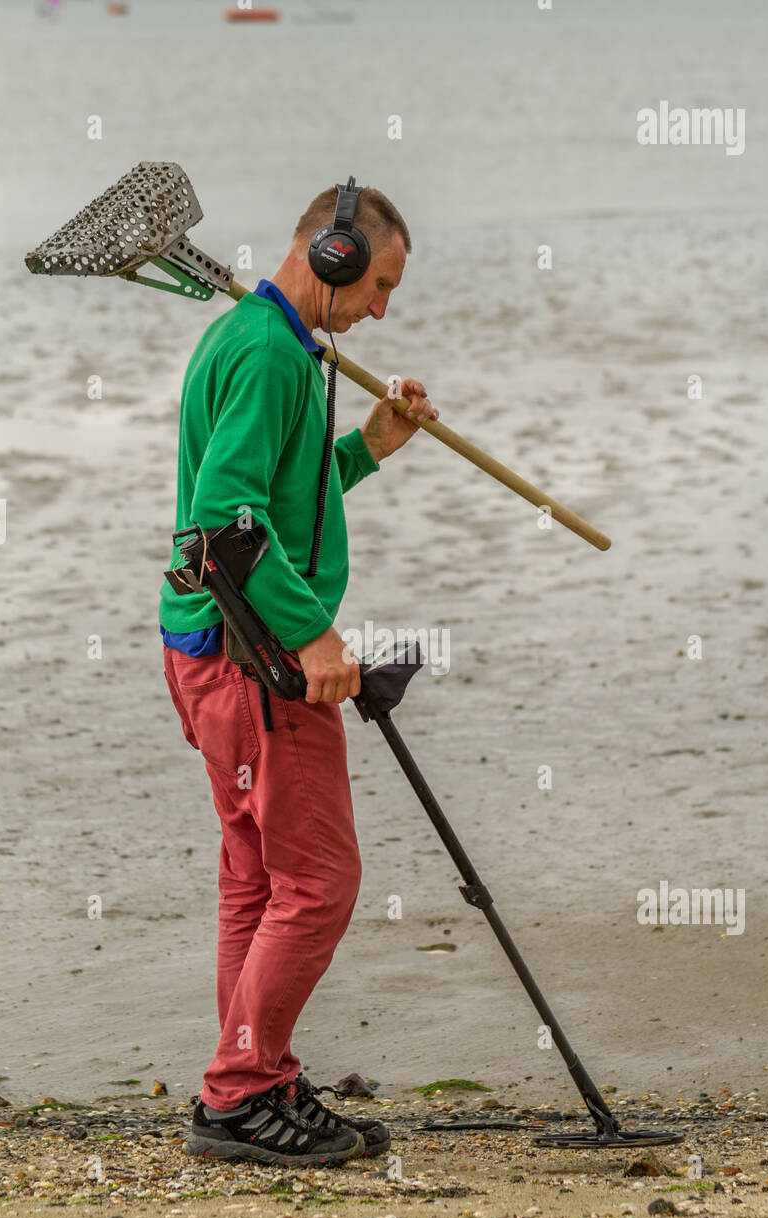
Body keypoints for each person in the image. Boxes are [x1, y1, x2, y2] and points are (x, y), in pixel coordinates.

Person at [159, 182, 438, 1167]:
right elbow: (227, 524)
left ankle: (252, 1072)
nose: (380, 308)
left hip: (204, 648)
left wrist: (367, 445)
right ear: (330, 255)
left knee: (257, 877)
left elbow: (280, 492)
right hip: (253, 661)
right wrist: (316, 638)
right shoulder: (271, 353)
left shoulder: (260, 340)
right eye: (378, 284)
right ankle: (240, 1094)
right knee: (318, 881)